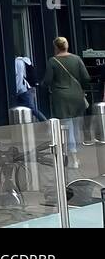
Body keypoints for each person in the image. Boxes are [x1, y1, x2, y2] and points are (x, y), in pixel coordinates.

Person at [41, 37, 93, 168]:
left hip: (61, 98)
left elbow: (47, 80)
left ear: (56, 47)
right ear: (67, 46)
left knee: (68, 127)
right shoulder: (76, 59)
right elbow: (86, 77)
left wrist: (43, 85)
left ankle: (73, 157)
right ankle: (77, 155)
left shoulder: (53, 61)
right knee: (76, 126)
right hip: (77, 96)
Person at [12, 54, 47, 121]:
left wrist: (16, 90)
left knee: (31, 108)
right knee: (29, 109)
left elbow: (19, 77)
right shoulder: (26, 60)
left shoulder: (18, 62)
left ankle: (46, 122)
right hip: (30, 88)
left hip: (23, 89)